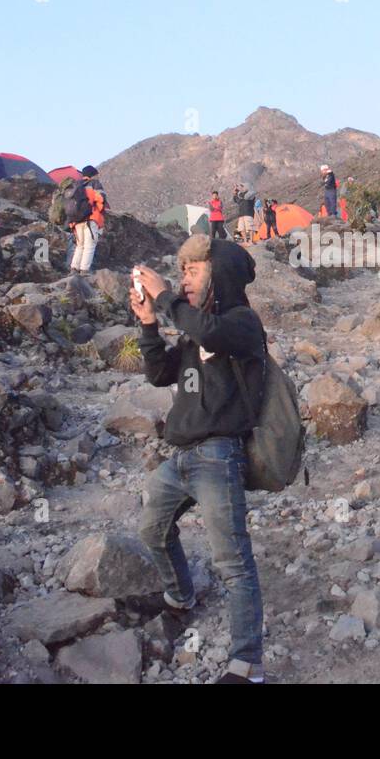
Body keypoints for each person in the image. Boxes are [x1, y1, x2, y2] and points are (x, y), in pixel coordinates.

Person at [132, 234, 268, 685]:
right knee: (152, 529)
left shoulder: (240, 322)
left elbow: (209, 331)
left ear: (219, 275)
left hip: (218, 456)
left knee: (232, 561)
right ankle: (180, 595)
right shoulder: (195, 334)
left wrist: (166, 297)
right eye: (182, 271)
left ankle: (246, 665)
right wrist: (150, 324)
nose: (184, 280)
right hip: (180, 457)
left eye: (192, 271)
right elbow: (157, 374)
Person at [69, 175, 106, 275]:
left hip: (76, 221)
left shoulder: (76, 186)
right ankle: (84, 270)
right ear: (92, 174)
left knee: (80, 246)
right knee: (89, 245)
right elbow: (101, 199)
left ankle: (74, 269)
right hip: (90, 219)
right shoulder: (94, 184)